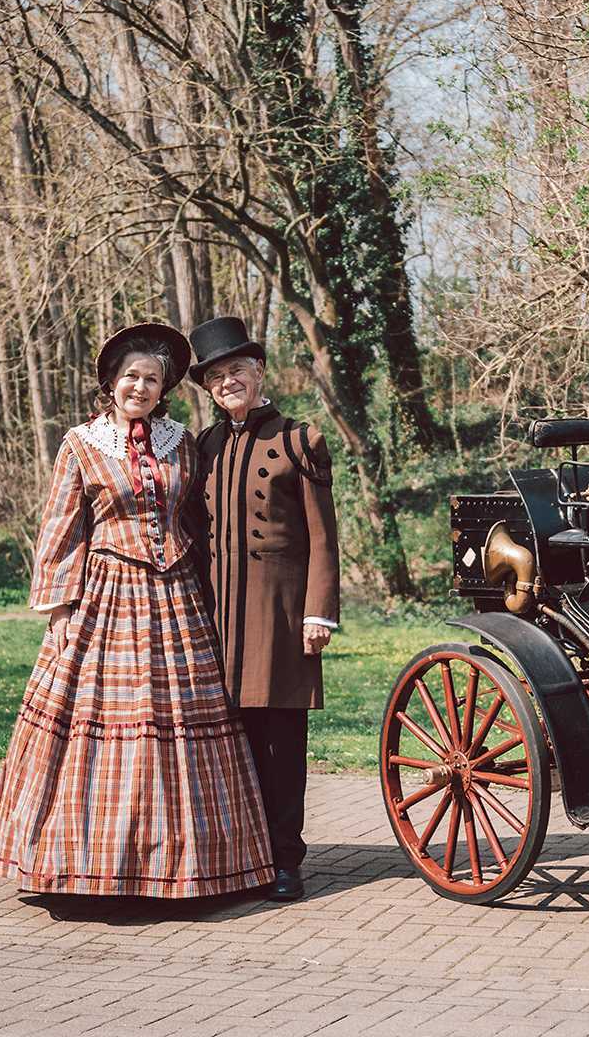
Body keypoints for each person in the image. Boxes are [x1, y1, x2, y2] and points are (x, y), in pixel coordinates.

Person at [0, 323, 275, 899]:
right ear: (111, 383)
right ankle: (82, 864)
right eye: (131, 377)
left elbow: (200, 517)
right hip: (105, 598)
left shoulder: (183, 443)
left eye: (151, 378)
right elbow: (62, 528)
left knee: (180, 728)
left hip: (176, 600)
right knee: (99, 727)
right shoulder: (81, 444)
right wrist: (60, 607)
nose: (140, 387)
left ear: (165, 386)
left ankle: (191, 864)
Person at [186, 316, 341, 903]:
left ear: (259, 372)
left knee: (280, 742)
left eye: (237, 371)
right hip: (218, 617)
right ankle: (242, 856)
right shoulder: (205, 446)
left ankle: (285, 860)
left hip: (280, 616)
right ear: (207, 387)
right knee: (232, 741)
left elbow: (325, 536)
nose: (229, 382)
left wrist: (318, 611)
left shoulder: (300, 440)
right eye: (217, 376)